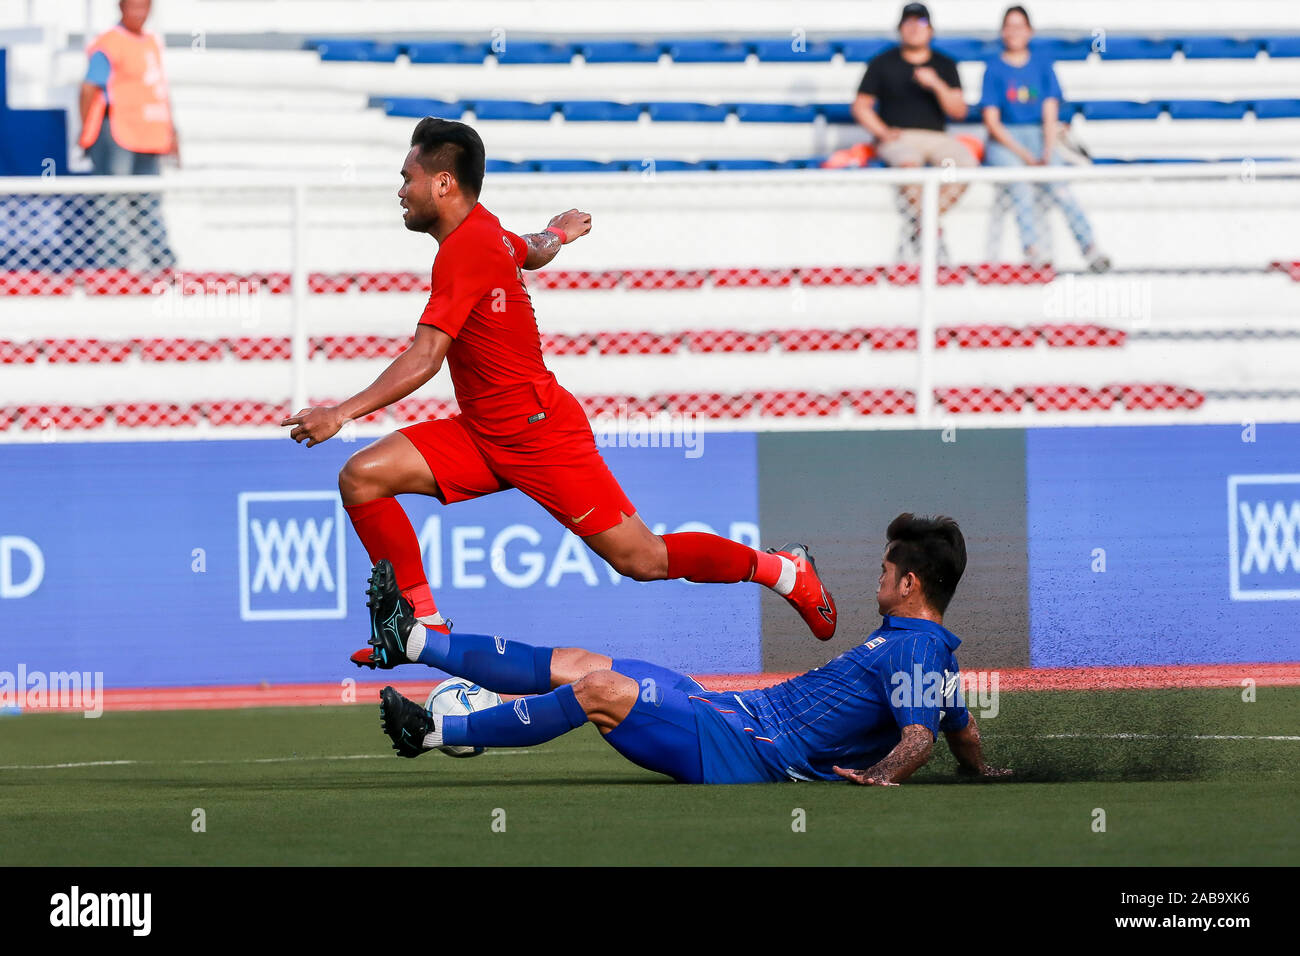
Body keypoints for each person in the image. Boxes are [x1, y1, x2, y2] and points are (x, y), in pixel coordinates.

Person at [281, 118, 839, 666]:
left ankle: (783, 570)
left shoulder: (464, 249)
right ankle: (422, 623)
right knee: (362, 478)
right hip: (483, 433)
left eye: (408, 177)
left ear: (444, 182)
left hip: (540, 433)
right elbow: (530, 248)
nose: (401, 190)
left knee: (642, 559)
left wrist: (341, 412)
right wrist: (560, 234)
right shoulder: (485, 232)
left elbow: (426, 357)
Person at [375, 514, 1013, 786]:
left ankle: (433, 731)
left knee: (597, 693)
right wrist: (980, 769)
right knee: (583, 663)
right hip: (735, 712)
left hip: (746, 752)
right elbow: (958, 728)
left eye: (884, 571)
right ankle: (414, 641)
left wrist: (880, 777)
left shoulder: (916, 651)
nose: (876, 579)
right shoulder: (923, 653)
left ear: (910, 584)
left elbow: (920, 738)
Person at [981, 5, 1110, 271]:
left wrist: (1047, 150)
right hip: (1007, 139)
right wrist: (1025, 155)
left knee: (1061, 188)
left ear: (1030, 31)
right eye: (1009, 26)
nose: (1014, 33)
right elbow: (992, 122)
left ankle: (1089, 247)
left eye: (1020, 27)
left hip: (1041, 134)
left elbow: (1050, 113)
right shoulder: (994, 69)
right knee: (1020, 186)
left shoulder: (1042, 64)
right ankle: (1033, 250)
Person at [851, 3, 975, 260]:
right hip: (899, 139)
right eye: (909, 23)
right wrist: (883, 132)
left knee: (963, 165)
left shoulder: (945, 65)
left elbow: (959, 111)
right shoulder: (882, 63)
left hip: (938, 139)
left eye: (921, 23)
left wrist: (937, 85)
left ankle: (922, 226)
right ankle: (930, 230)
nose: (915, 29)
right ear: (899, 29)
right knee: (910, 164)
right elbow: (861, 107)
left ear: (930, 30)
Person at [78, 0, 178, 269]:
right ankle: (114, 268)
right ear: (121, 7)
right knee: (113, 201)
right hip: (117, 134)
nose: (139, 13)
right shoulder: (109, 43)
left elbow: (158, 91)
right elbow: (89, 89)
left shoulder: (151, 43)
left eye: (144, 6)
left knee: (148, 200)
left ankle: (161, 264)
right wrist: (87, 130)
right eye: (133, 6)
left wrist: (172, 135)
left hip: (149, 136)